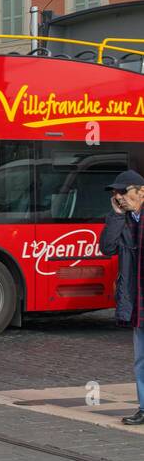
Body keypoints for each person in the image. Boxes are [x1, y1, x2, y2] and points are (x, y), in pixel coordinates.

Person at [101, 169, 144, 426]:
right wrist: (116, 215)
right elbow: (106, 247)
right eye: (116, 193)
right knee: (141, 359)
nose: (119, 197)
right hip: (137, 300)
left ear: (141, 192)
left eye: (123, 191)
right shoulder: (124, 220)